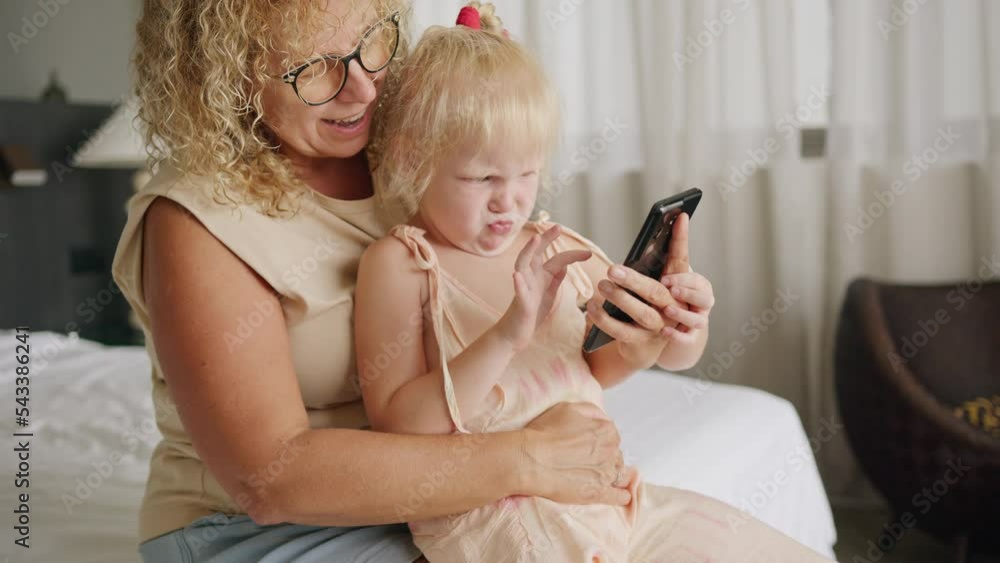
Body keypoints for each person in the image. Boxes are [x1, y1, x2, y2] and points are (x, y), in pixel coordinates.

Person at [112, 1, 632, 561]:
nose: (361, 89)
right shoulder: (196, 220)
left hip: (434, 502)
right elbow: (270, 481)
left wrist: (643, 332)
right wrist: (528, 461)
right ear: (230, 72)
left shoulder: (405, 153)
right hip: (255, 529)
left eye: (372, 42)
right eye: (313, 68)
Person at [357, 3, 836, 562]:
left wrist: (674, 329)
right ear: (413, 159)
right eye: (482, 177)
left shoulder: (556, 244)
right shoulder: (402, 264)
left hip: (606, 492)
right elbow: (400, 430)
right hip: (496, 511)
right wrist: (509, 334)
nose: (509, 200)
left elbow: (604, 364)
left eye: (527, 174)